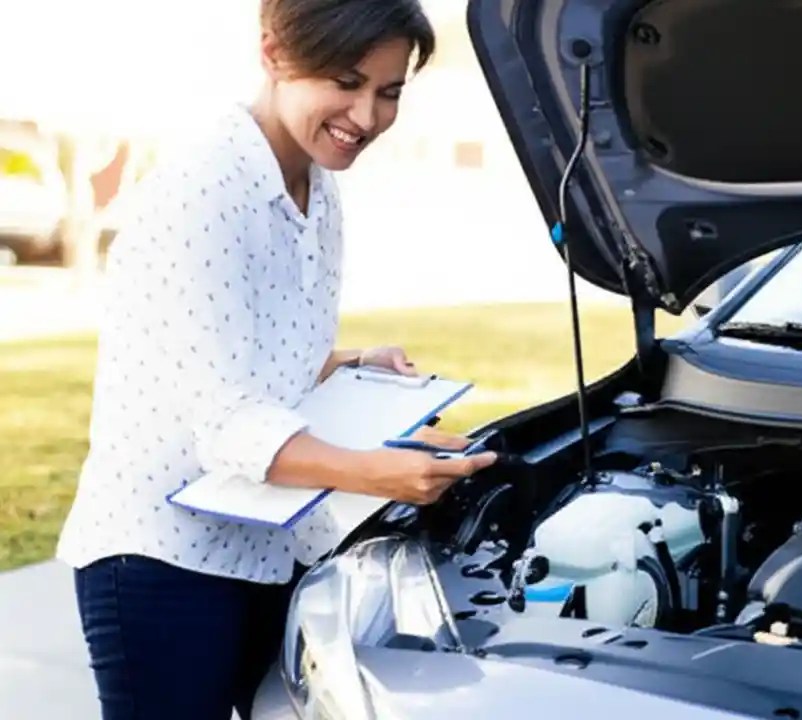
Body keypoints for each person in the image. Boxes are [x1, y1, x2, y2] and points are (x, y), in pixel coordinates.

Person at [54, 1, 497, 717]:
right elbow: (225, 423)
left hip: (267, 541)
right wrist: (377, 474)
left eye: (389, 91)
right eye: (347, 82)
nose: (368, 115)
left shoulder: (318, 188)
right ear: (273, 54)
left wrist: (352, 366)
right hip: (160, 561)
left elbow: (250, 357)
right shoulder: (200, 194)